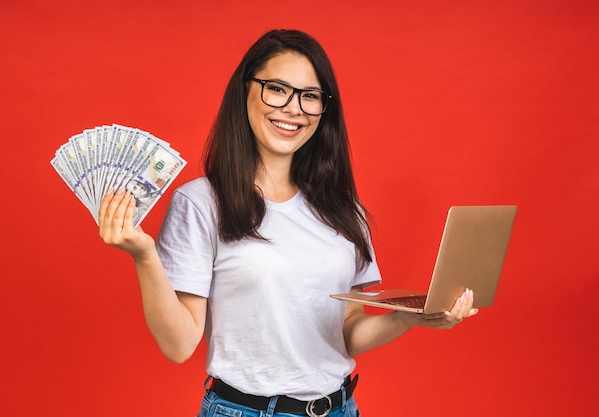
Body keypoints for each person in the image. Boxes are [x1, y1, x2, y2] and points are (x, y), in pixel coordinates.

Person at [98, 29, 478, 417]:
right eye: (277, 89)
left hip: (340, 409)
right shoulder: (200, 203)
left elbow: (345, 332)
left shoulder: (344, 210)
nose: (294, 108)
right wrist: (144, 256)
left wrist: (407, 317)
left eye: (310, 96)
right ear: (244, 91)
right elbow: (178, 346)